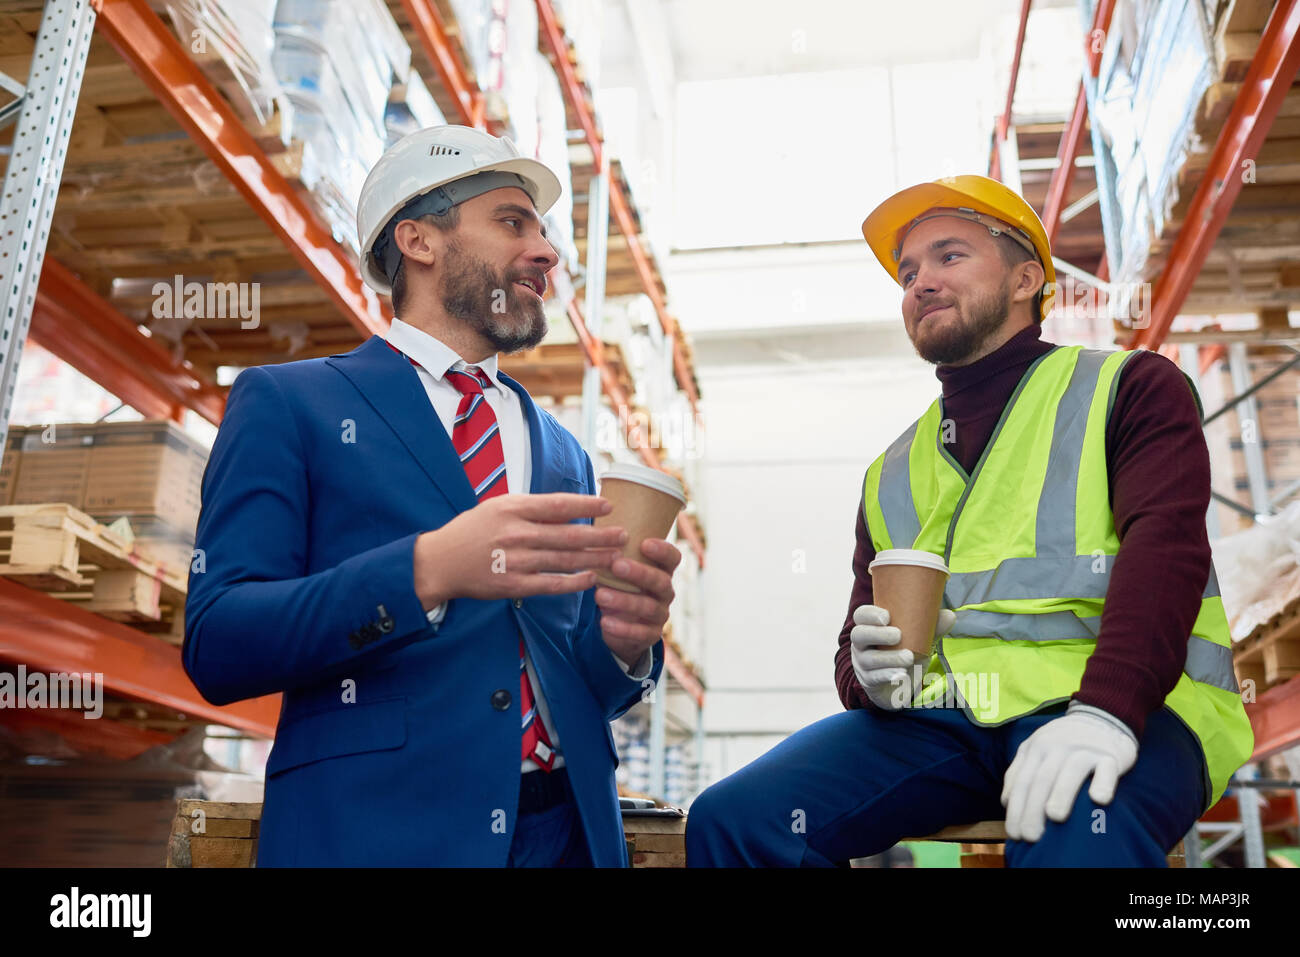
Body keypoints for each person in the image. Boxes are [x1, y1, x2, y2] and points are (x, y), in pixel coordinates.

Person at [685, 174, 1253, 867]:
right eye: (908, 272)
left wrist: (1107, 711)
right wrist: (872, 677)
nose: (920, 281)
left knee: (1075, 840)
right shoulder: (892, 469)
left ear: (1024, 280)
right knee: (735, 821)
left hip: (1125, 701)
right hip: (947, 724)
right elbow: (858, 643)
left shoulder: (1128, 388)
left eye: (949, 256)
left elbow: (1164, 552)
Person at [184, 125, 682, 866]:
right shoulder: (292, 404)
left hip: (565, 835)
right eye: (513, 222)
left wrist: (624, 647)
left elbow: (573, 683)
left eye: (544, 232)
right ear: (418, 240)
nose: (546, 252)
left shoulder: (565, 453)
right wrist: (427, 569)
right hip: (379, 834)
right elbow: (221, 643)